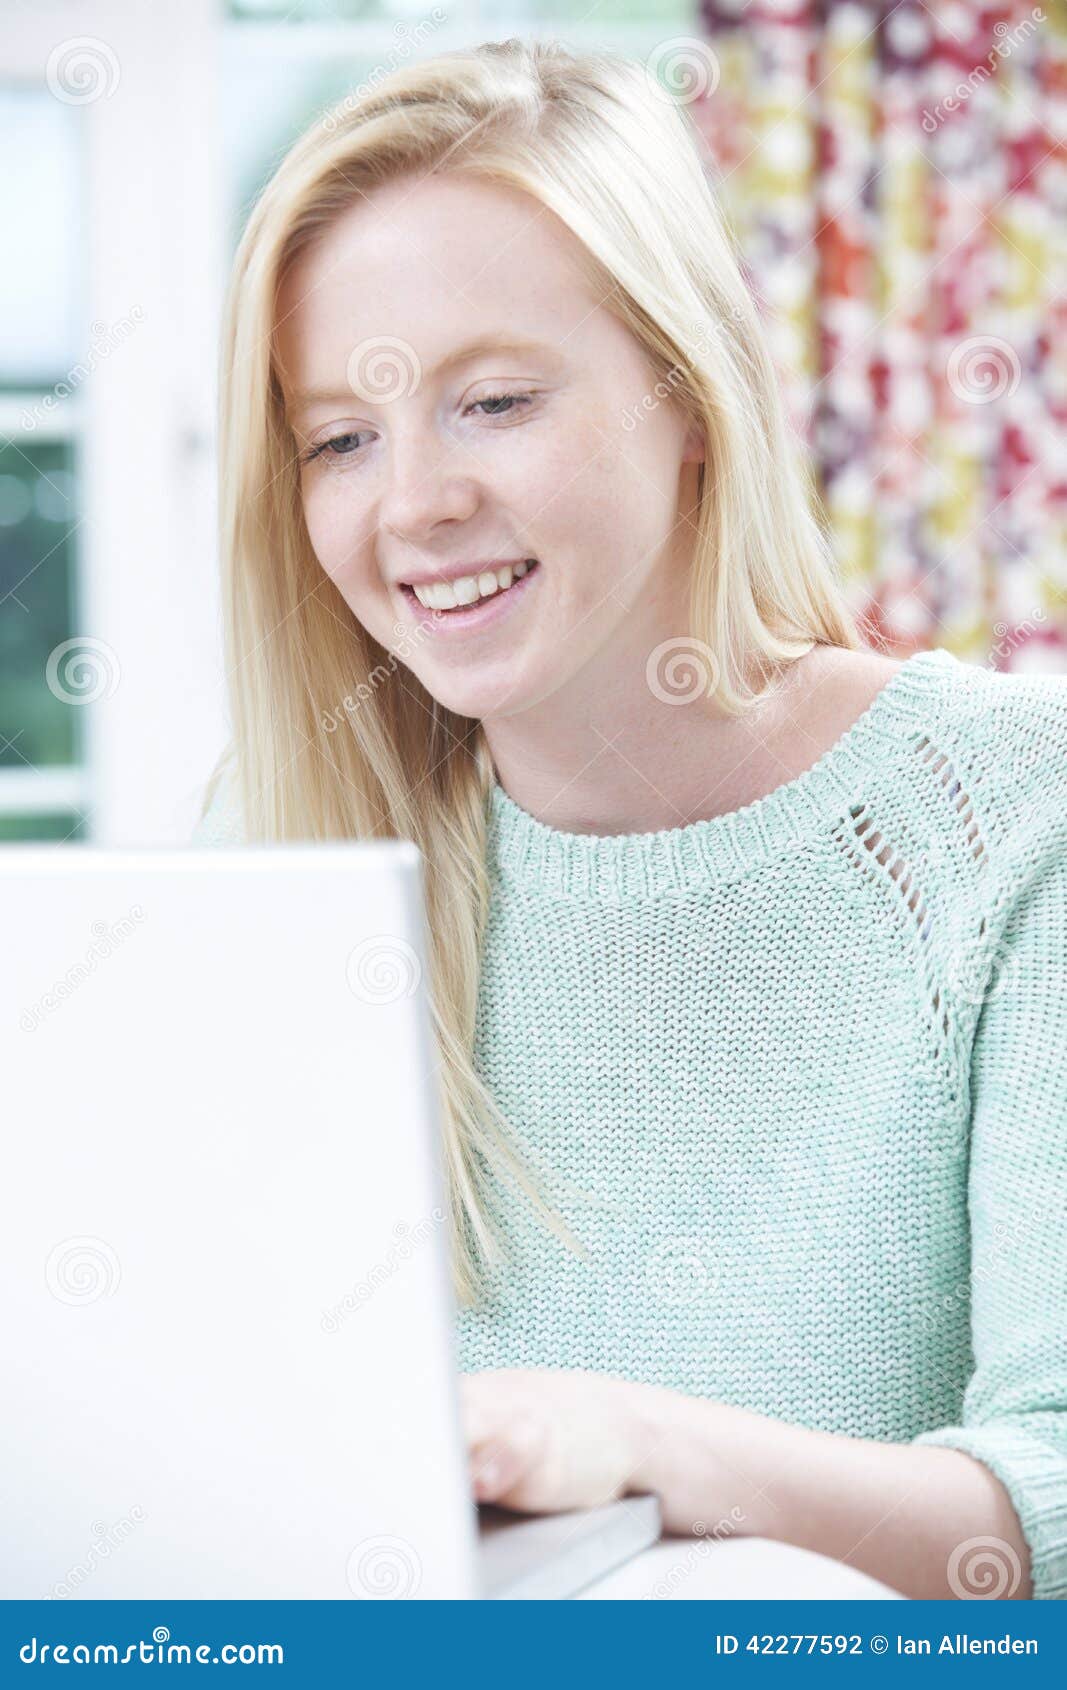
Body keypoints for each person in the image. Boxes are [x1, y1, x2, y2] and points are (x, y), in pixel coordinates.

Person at [194, 38, 1067, 1600]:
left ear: (687, 391)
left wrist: (647, 1446)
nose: (412, 505)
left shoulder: (1009, 818)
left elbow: (1050, 1508)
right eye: (339, 437)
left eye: (494, 401)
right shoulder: (279, 849)